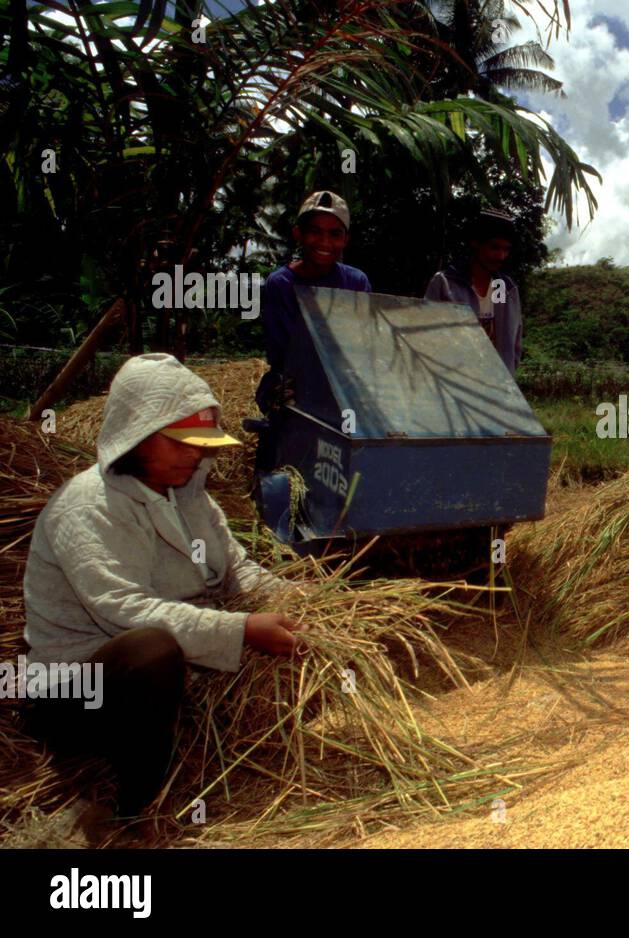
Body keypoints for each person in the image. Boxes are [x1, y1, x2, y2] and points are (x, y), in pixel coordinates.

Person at [22, 353, 307, 842]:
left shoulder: (189, 496)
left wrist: (302, 600)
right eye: (180, 442)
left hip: (175, 673)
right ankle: (132, 809)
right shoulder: (88, 507)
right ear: (135, 432)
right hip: (78, 689)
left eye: (201, 443)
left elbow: (236, 568)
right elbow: (126, 612)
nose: (194, 454)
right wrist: (238, 630)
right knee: (151, 651)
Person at [255, 190, 372, 416]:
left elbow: (363, 346)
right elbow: (283, 353)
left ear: (345, 240)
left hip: (347, 381)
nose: (324, 241)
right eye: (315, 232)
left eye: (334, 233)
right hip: (298, 380)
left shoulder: (356, 281)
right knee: (279, 399)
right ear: (298, 234)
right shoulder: (281, 284)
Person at [424, 208, 523, 376]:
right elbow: (427, 337)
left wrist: (509, 373)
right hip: (456, 384)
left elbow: (514, 341)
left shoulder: (504, 288)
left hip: (499, 388)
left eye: (506, 249)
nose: (501, 256)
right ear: (475, 243)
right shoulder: (447, 283)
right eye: (494, 247)